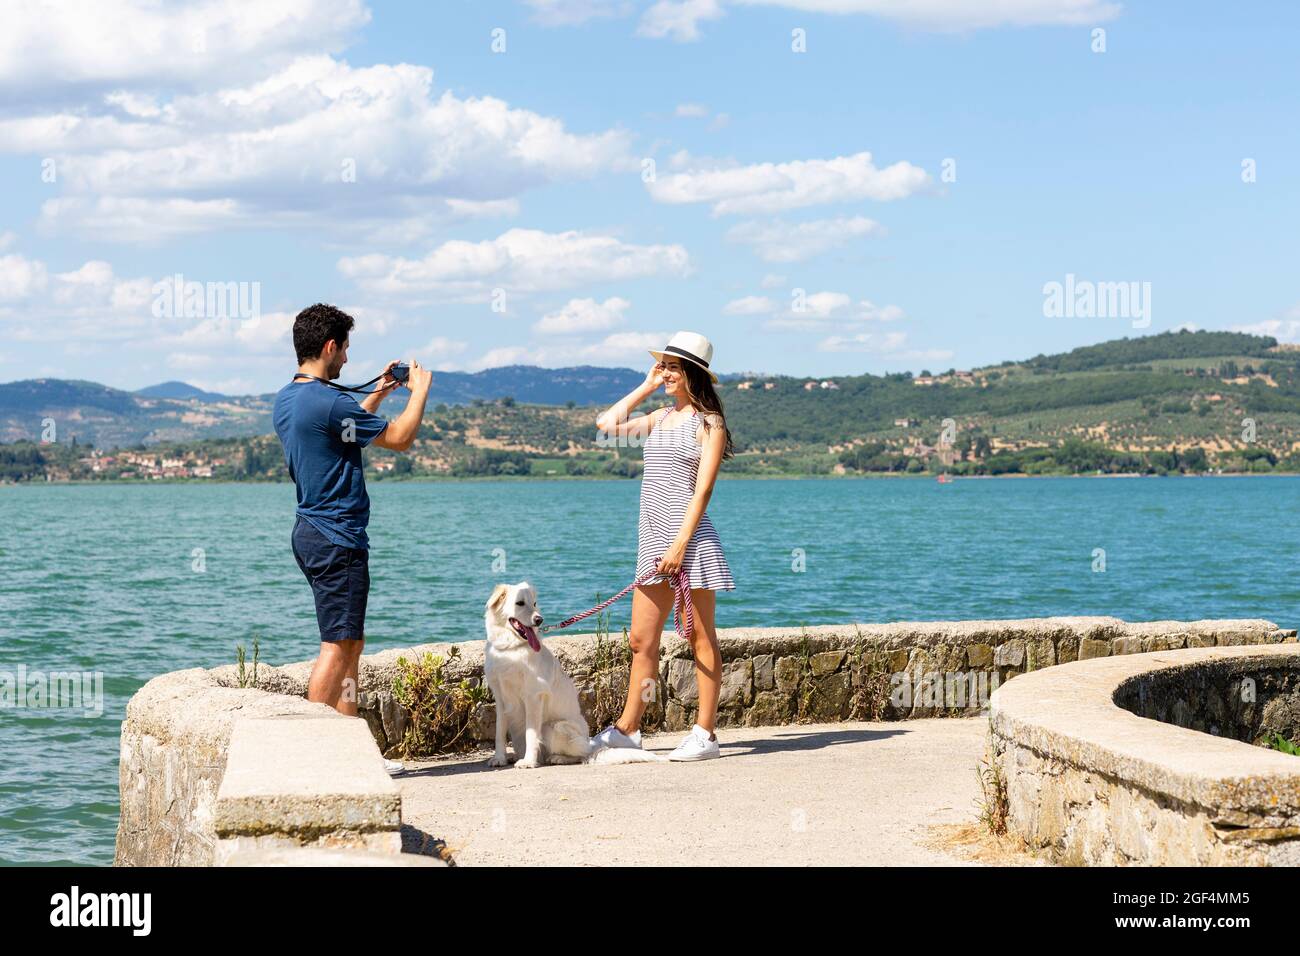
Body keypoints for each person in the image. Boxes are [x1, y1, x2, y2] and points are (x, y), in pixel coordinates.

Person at [272, 303, 432, 772]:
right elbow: (400, 439)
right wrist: (417, 393)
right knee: (337, 646)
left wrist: (378, 394)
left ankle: (350, 753)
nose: (346, 359)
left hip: (312, 531)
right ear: (329, 346)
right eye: (344, 348)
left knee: (350, 642)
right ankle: (319, 759)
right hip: (336, 536)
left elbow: (338, 429)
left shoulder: (290, 397)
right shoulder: (329, 400)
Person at [592, 331, 736, 761]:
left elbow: (703, 492)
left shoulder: (710, 423)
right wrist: (647, 384)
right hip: (652, 541)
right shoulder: (658, 417)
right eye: (665, 365)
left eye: (674, 367)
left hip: (687, 542)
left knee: (699, 637)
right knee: (640, 640)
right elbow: (606, 426)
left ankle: (705, 734)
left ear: (693, 373)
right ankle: (628, 730)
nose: (667, 372)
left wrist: (679, 545)